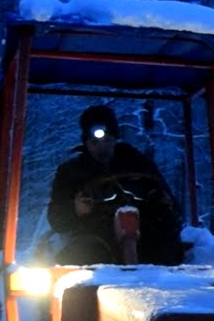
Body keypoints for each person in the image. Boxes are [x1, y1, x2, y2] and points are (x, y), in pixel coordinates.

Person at [47, 105, 184, 265]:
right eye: (95, 142)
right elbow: (56, 218)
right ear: (86, 142)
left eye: (107, 141)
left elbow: (172, 206)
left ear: (115, 139)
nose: (102, 147)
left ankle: (169, 286)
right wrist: (75, 209)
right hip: (93, 234)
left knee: (166, 245)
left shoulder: (138, 163)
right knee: (83, 254)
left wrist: (162, 202)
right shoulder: (70, 171)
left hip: (144, 232)